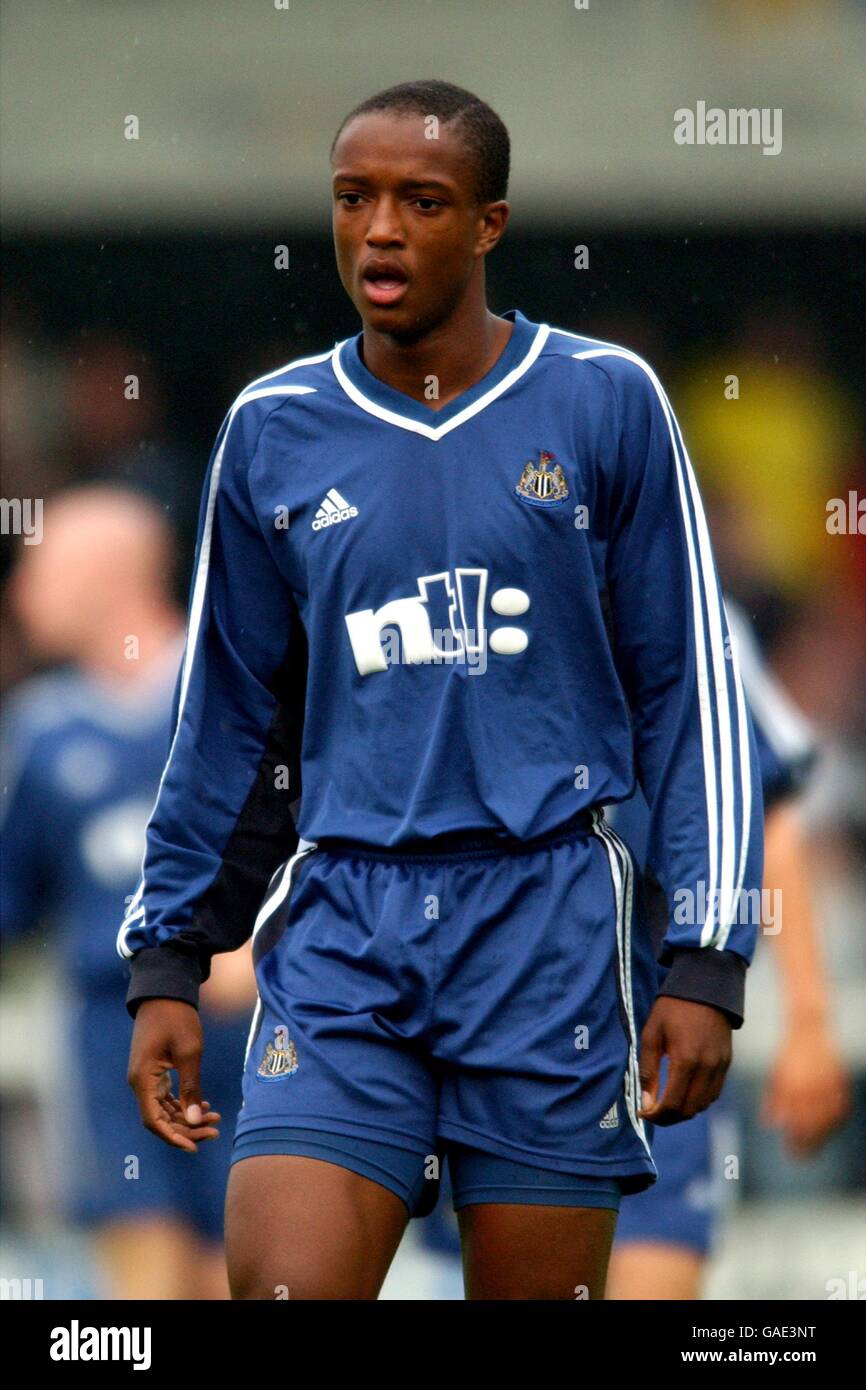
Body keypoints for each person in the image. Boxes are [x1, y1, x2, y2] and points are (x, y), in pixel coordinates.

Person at [120, 80, 763, 1301]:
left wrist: (707, 958)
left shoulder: (603, 400)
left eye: (421, 201)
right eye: (353, 198)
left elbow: (691, 697)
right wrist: (169, 959)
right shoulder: (274, 427)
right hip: (346, 930)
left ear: (487, 224)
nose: (377, 229)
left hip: (549, 931)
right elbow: (228, 721)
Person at [1, 486, 255, 1299]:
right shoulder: (41, 729)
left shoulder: (239, 687)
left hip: (248, 1025)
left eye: (40, 564)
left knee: (249, 1251)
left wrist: (272, 943)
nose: (20, 590)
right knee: (140, 1257)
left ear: (107, 573)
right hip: (109, 1031)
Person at [605, 600, 851, 1299]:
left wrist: (809, 1022)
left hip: (659, 1045)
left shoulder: (694, 612)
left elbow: (767, 812)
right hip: (504, 1043)